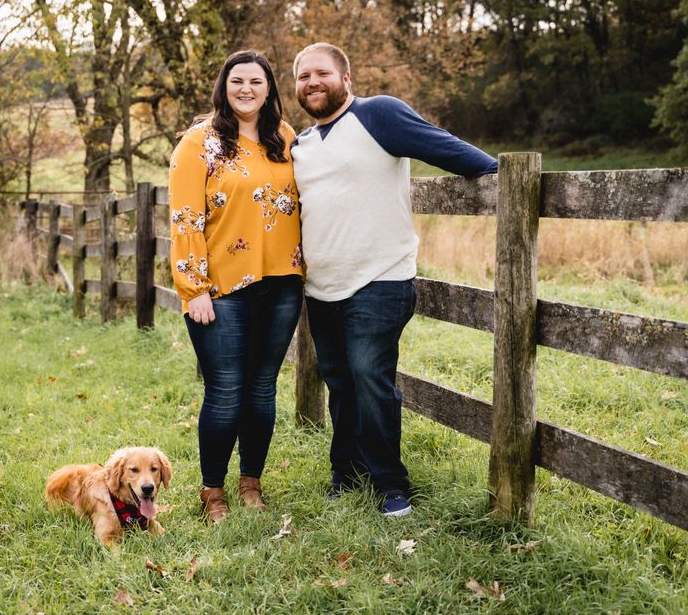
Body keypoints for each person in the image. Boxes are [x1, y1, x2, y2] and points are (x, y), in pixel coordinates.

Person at [290, 42, 497, 517]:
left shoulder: (378, 115)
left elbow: (446, 147)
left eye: (322, 73)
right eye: (303, 76)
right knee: (339, 381)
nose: (312, 82)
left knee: (369, 377)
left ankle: (390, 484)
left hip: (380, 277)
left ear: (346, 77)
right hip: (322, 285)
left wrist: (501, 174)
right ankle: (347, 474)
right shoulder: (300, 145)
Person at [169, 50, 304, 523]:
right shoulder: (199, 142)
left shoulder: (283, 138)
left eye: (256, 81)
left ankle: (251, 483)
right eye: (237, 82)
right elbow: (185, 218)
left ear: (270, 88)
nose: (246, 89)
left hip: (282, 282)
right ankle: (213, 492)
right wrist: (194, 287)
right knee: (226, 390)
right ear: (224, 88)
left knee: (263, 388)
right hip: (222, 288)